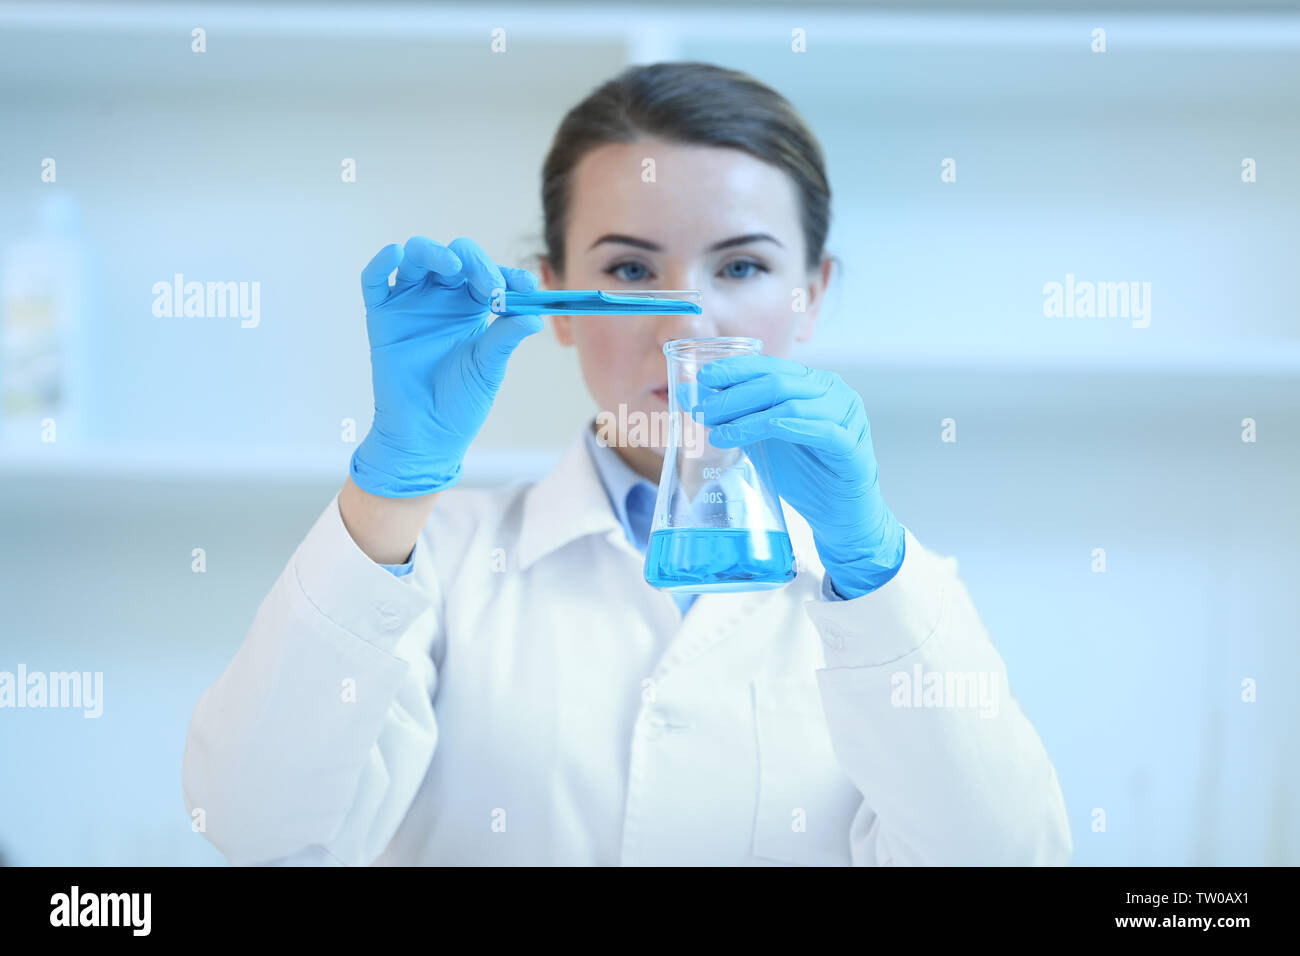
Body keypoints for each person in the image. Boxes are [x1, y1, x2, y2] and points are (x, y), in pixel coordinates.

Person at [182, 61, 1071, 866]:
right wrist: (388, 486)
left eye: (744, 266)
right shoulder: (441, 556)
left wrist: (871, 568)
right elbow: (255, 827)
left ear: (813, 297)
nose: (687, 326)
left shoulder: (895, 595)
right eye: (631, 271)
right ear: (554, 297)